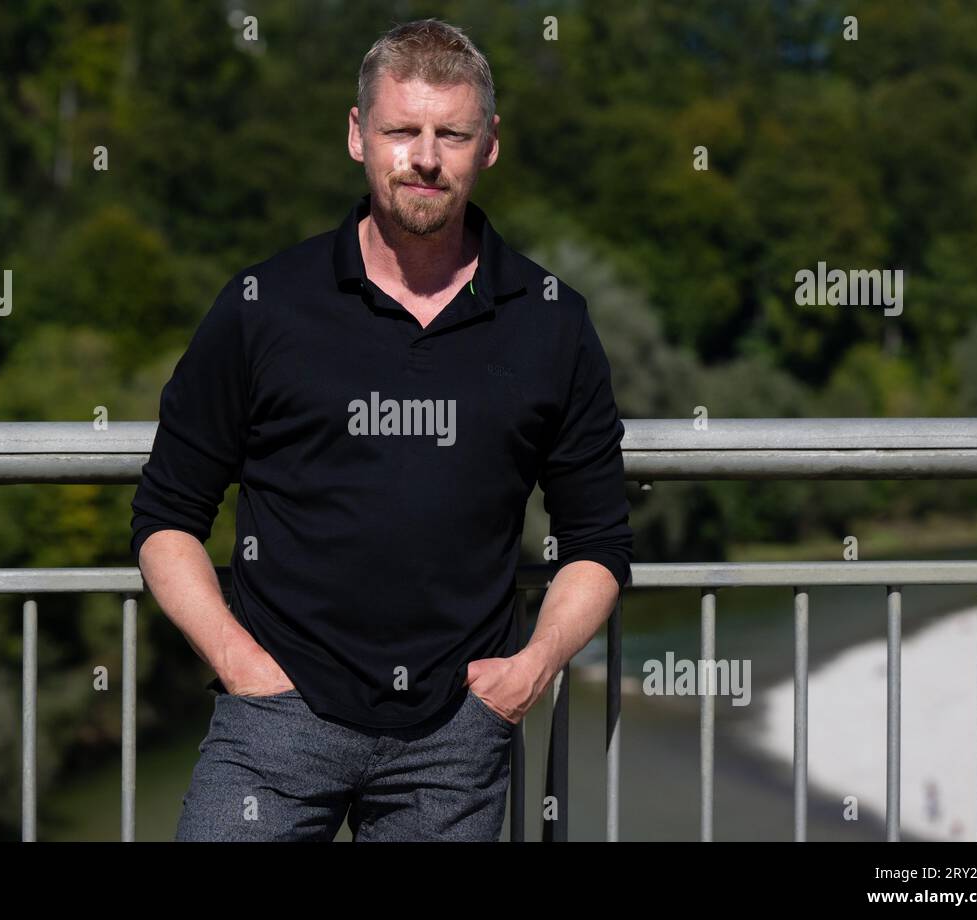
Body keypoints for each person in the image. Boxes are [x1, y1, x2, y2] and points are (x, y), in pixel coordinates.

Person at [130, 18, 634, 841]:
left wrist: (528, 672)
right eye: (402, 130)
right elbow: (165, 516)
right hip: (273, 722)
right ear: (358, 135)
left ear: (490, 145)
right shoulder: (265, 305)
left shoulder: (552, 324)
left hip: (455, 737)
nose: (426, 156)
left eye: (452, 134)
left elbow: (598, 540)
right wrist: (239, 664)